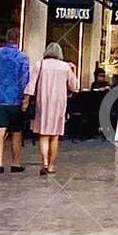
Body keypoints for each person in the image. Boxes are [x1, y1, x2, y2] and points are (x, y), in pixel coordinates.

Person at [29, 43, 78, 177]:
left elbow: (31, 85)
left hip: (43, 102)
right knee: (55, 135)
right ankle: (51, 165)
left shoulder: (40, 65)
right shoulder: (65, 67)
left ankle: (44, 162)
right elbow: (73, 87)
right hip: (59, 103)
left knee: (44, 134)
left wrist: (26, 100)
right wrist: (73, 70)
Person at [0, 28, 30, 175]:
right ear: (18, 39)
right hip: (15, 98)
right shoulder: (22, 57)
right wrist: (25, 97)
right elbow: (25, 79)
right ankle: (15, 163)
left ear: (7, 38)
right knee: (16, 132)